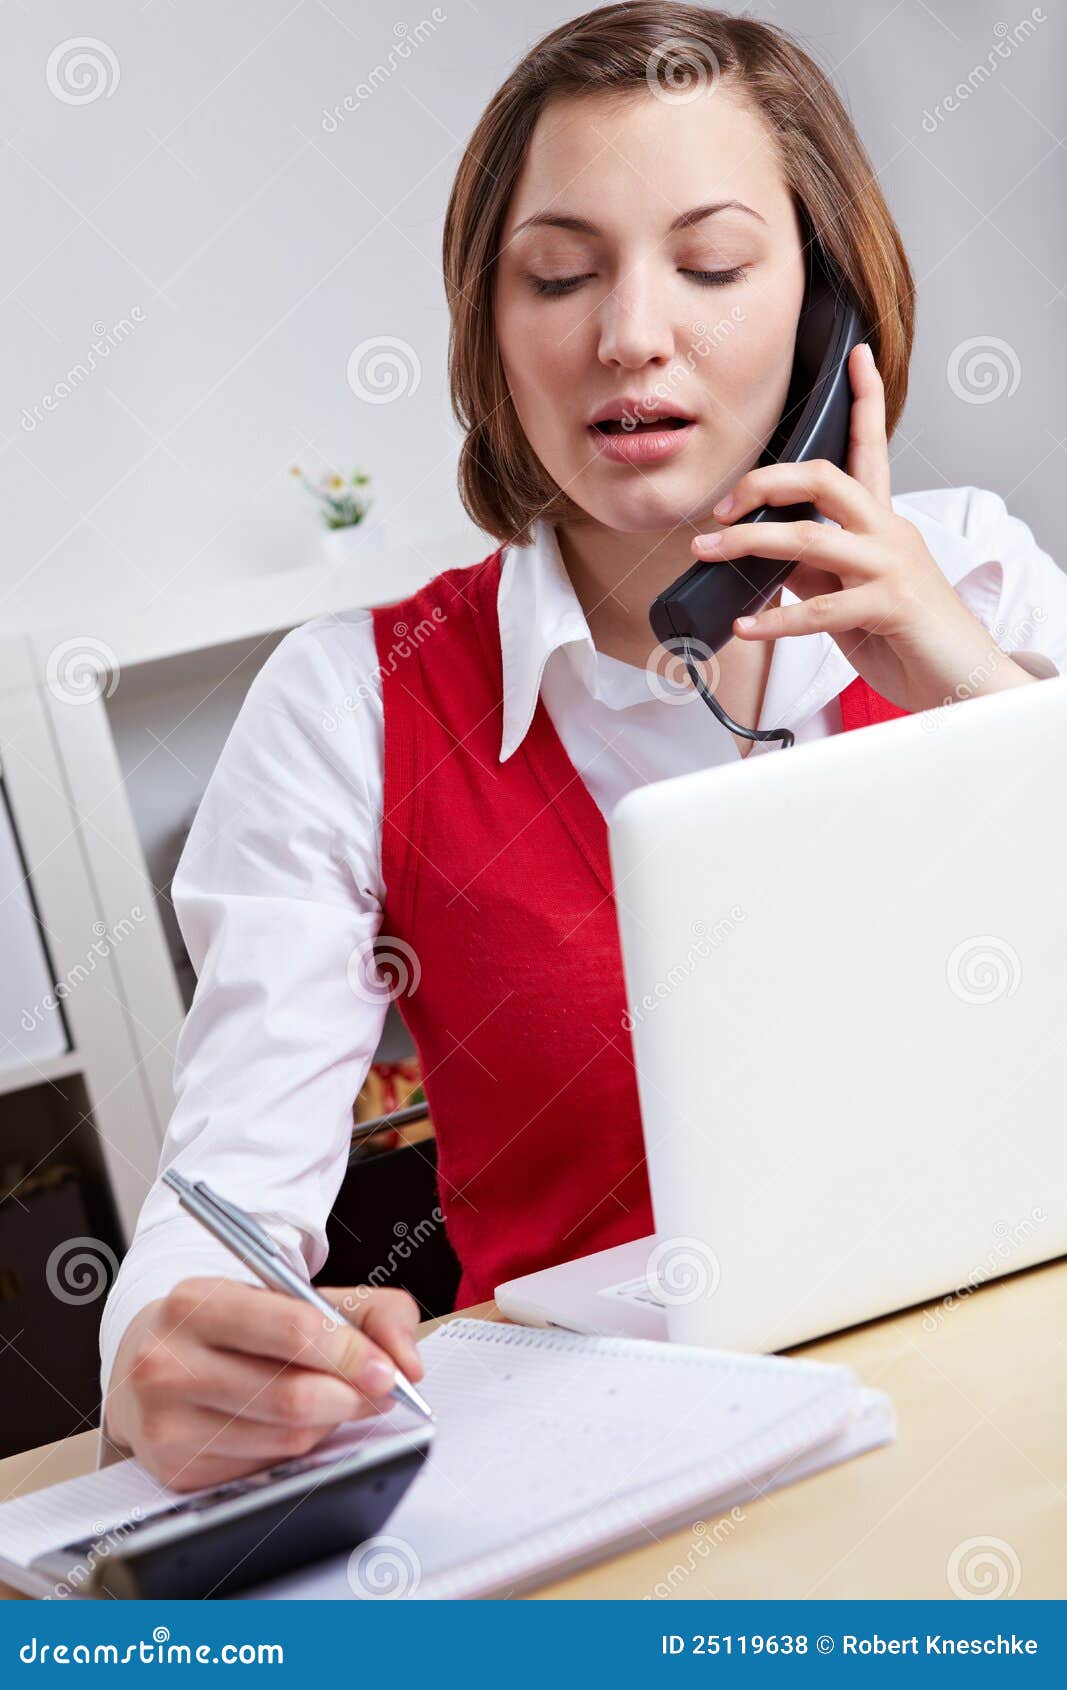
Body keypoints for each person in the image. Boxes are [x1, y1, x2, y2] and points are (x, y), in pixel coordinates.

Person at [98, 3, 1067, 1489]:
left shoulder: (984, 590)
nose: (629, 334)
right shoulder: (353, 702)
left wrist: (968, 686)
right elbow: (222, 1196)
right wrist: (168, 1350)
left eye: (713, 263)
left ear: (829, 313)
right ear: (491, 322)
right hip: (609, 1486)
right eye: (560, 273)